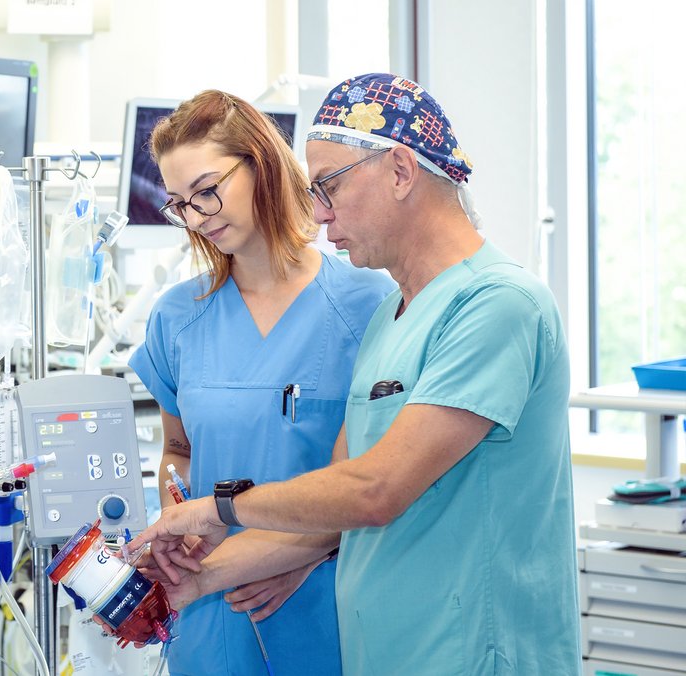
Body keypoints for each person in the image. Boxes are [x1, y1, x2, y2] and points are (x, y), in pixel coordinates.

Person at [131, 73, 581, 674]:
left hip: (470, 648)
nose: (316, 214)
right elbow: (341, 486)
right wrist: (198, 579)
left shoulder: (497, 305)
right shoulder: (394, 317)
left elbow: (373, 490)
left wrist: (217, 510)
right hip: (385, 648)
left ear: (399, 170)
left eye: (328, 187)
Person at [126, 89, 394, 675]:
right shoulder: (178, 317)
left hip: (328, 600)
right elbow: (178, 450)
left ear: (261, 162)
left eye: (206, 190)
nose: (197, 216)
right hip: (210, 608)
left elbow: (387, 481)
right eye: (180, 203)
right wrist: (179, 512)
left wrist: (302, 551)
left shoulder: (371, 305)